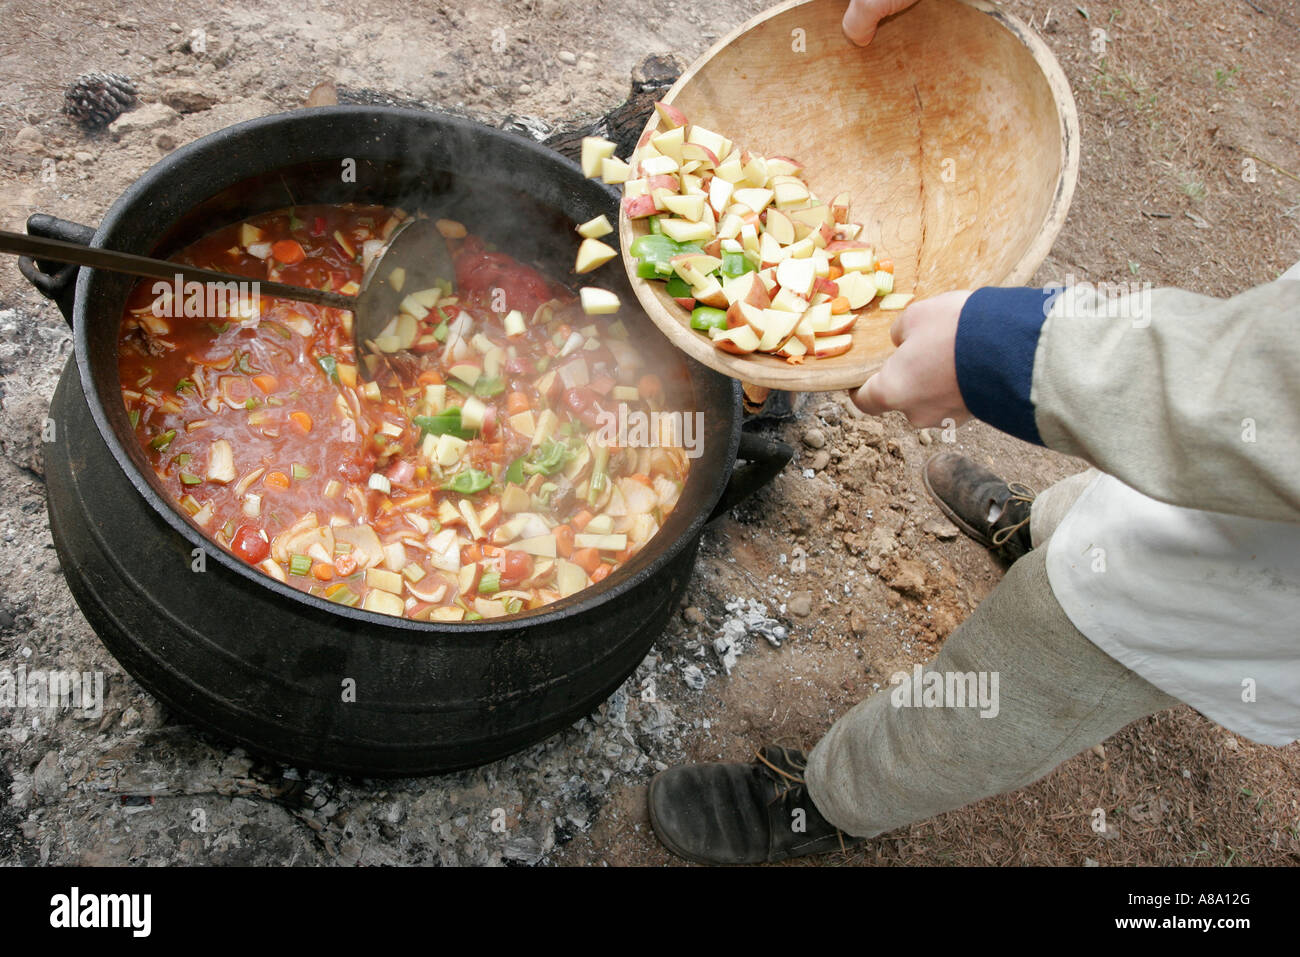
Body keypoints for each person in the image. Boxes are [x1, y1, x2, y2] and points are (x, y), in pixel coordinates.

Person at [645, 0, 1300, 864]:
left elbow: (1271, 404)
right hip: (1233, 439)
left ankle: (823, 802)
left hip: (1256, 588)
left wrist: (1009, 355)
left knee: (1015, 679)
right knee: (1125, 493)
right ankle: (1044, 530)